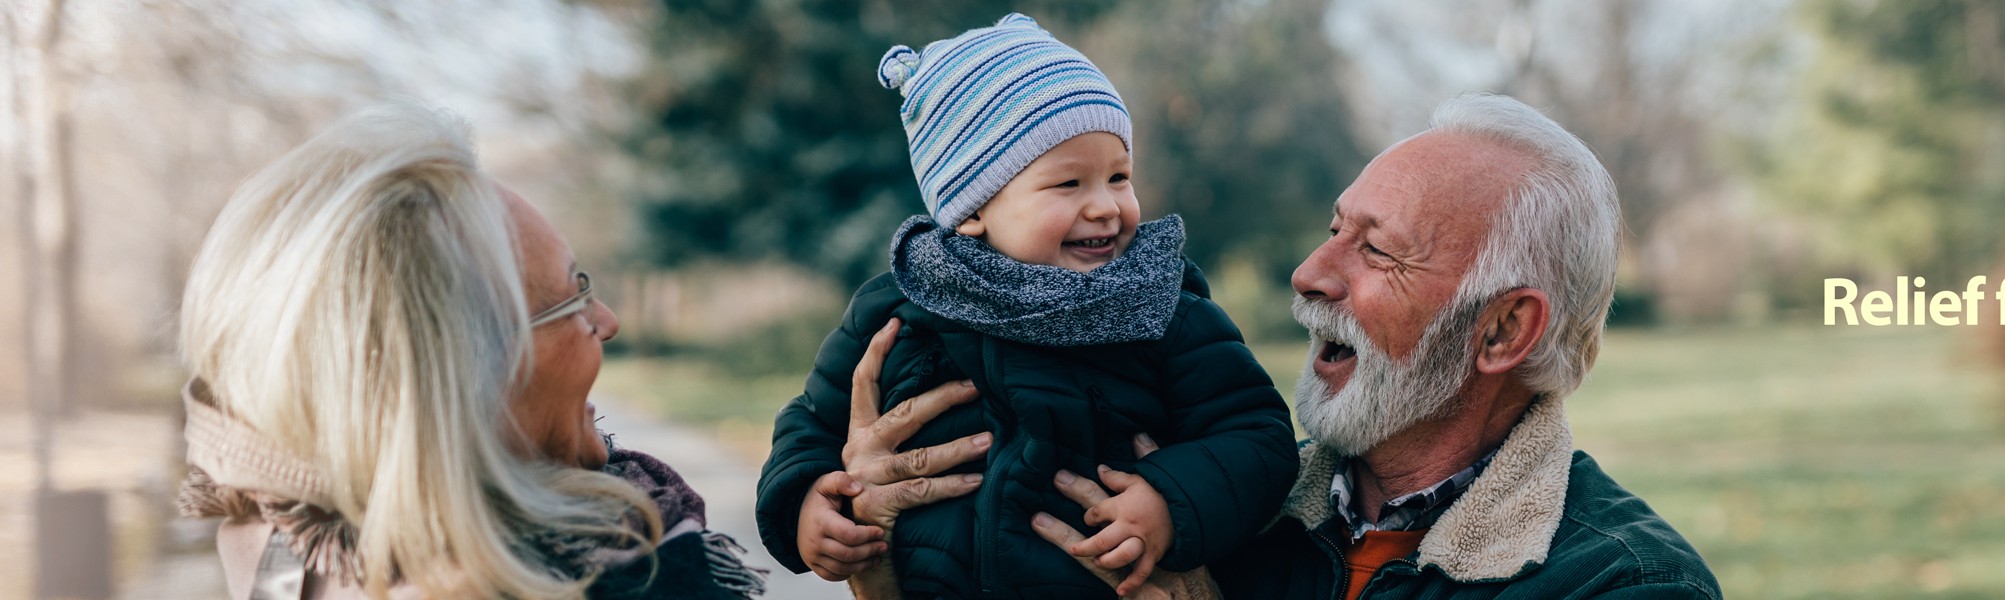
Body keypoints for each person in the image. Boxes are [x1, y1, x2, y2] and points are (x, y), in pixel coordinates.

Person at [810, 93, 1725, 599]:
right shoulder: (1221, 495)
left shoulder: (1619, 585)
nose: (1308, 273)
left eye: (1374, 251)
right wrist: (875, 540)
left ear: (1502, 331)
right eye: (1333, 230)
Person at [752, 13, 1299, 600]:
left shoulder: (1161, 307)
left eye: (1119, 176)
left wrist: (1169, 501)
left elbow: (1256, 435)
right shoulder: (899, 309)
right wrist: (809, 501)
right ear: (973, 208)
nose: (1106, 207)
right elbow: (812, 422)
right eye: (1069, 185)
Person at [175, 104, 765, 599]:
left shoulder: (287, 561)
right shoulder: (620, 575)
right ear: (456, 381)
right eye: (574, 297)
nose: (606, 321)